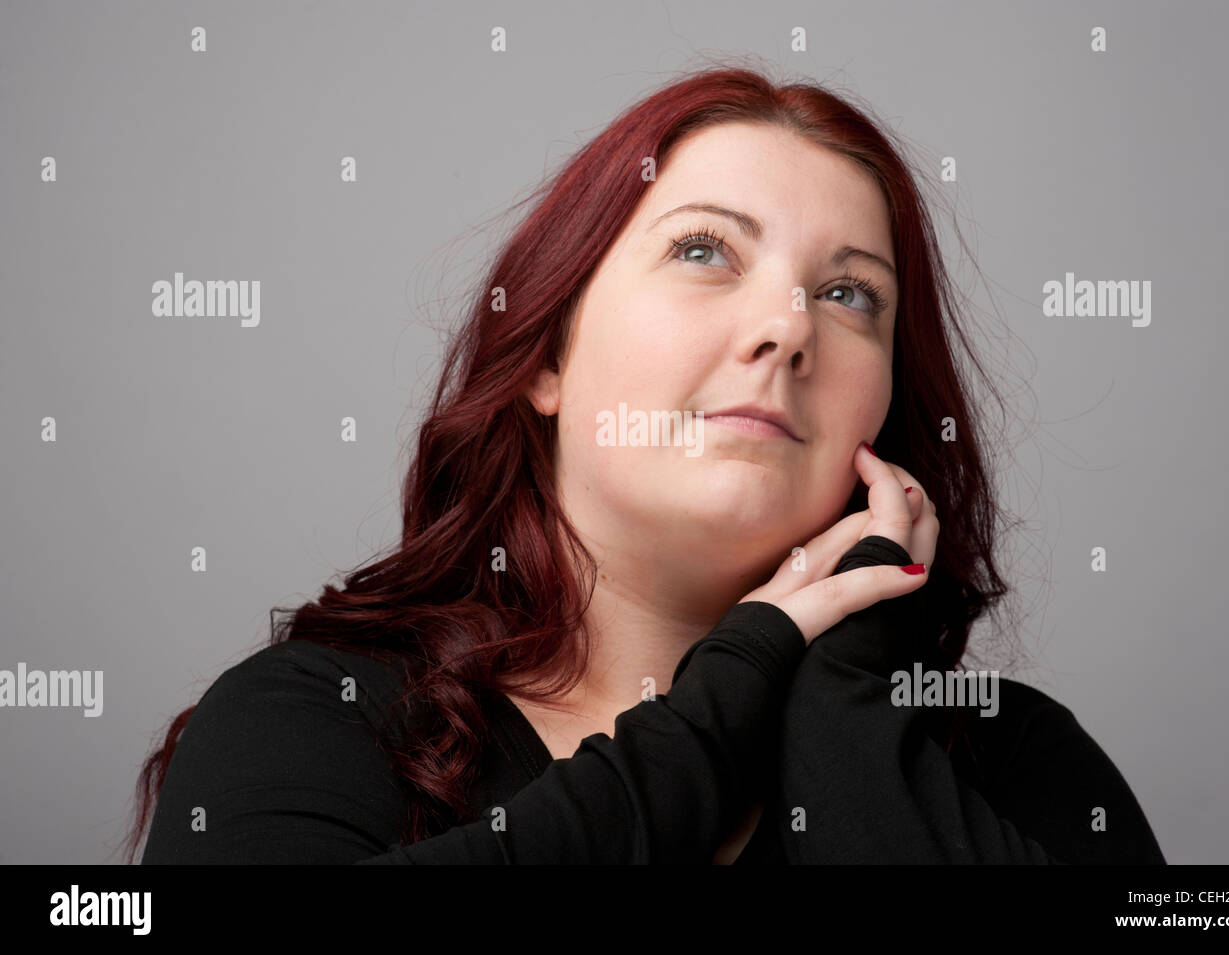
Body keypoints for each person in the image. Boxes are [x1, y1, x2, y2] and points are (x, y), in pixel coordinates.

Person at [122, 62, 1165, 865]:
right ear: (545, 358)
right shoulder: (315, 718)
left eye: (850, 294)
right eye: (705, 250)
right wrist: (743, 678)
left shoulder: (1016, 762)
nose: (786, 327)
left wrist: (844, 690)